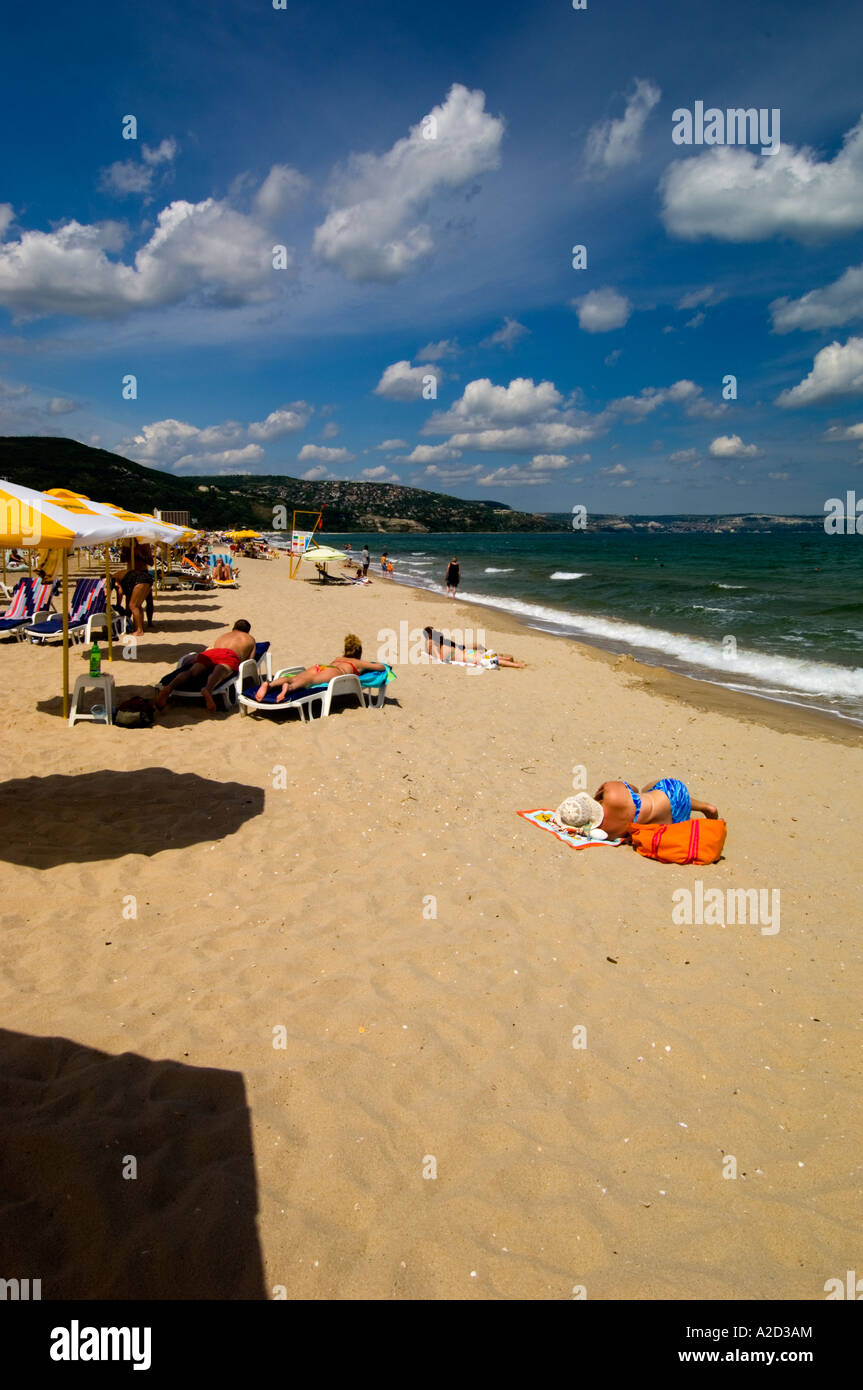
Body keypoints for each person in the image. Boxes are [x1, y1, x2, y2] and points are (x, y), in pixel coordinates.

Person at [155, 620, 256, 713]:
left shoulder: (224, 635)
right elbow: (251, 660)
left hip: (211, 653)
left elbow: (215, 648)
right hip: (229, 655)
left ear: (233, 628)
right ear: (248, 631)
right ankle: (208, 689)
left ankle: (170, 687)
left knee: (192, 671)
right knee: (221, 669)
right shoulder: (250, 638)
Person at [255, 633, 386, 703]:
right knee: (309, 681)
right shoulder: (356, 662)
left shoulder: (338, 659)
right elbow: (379, 667)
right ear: (358, 652)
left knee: (297, 677)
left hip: (322, 667)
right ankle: (288, 689)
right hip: (335, 672)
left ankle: (270, 684)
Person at [575, 780, 719, 839]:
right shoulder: (611, 790)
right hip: (672, 790)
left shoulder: (610, 830)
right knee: (645, 790)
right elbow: (633, 787)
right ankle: (704, 806)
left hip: (671, 819)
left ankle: (704, 825)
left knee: (675, 813)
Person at [422, 626, 525, 668]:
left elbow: (436, 651)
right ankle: (516, 664)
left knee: (483, 658)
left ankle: (510, 661)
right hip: (459, 654)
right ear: (429, 634)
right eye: (433, 631)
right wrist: (440, 658)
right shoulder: (430, 642)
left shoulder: (432, 641)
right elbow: (436, 653)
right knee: (484, 659)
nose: (435, 631)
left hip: (460, 653)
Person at [114, 543, 154, 638]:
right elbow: (122, 560)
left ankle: (148, 623)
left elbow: (151, 562)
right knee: (132, 603)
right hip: (130, 575)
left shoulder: (145, 545)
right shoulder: (126, 546)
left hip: (142, 573)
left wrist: (140, 555)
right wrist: (124, 554)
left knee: (146, 601)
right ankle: (134, 625)